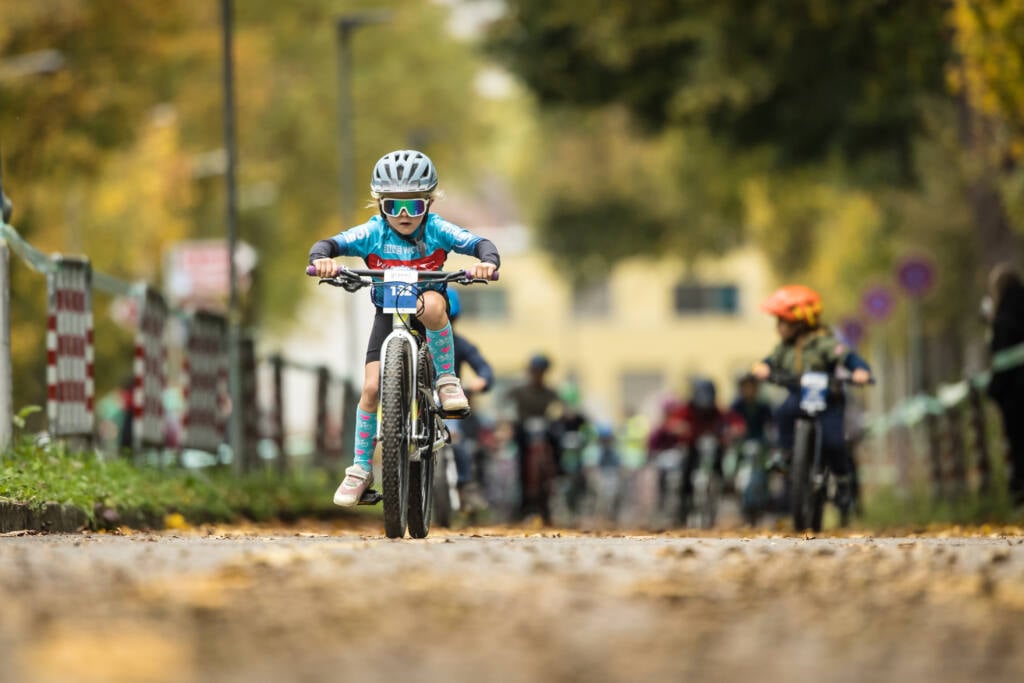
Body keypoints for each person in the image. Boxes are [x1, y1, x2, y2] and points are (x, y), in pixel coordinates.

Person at [308, 149, 500, 506]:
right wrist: (322, 260)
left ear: (429, 203)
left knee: (434, 304)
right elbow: (332, 244)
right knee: (369, 388)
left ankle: (445, 381)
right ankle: (361, 468)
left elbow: (478, 244)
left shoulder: (438, 229)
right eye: (394, 206)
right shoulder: (372, 233)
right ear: (379, 204)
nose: (404, 215)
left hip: (426, 307)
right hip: (387, 313)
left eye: (414, 206)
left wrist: (486, 263)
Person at [751, 285, 872, 509]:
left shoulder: (825, 342)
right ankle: (786, 454)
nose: (778, 327)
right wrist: (763, 367)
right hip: (799, 396)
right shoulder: (784, 348)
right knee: (783, 412)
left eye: (782, 322)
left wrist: (860, 370)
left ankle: (844, 483)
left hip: (828, 399)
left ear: (800, 321)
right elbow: (770, 361)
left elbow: (847, 357)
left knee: (834, 442)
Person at [445, 287, 493, 513]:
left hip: (447, 406)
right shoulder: (412, 342)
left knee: (456, 438)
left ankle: (465, 484)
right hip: (417, 404)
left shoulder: (460, 344)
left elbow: (483, 368)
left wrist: (481, 380)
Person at [506, 353, 562, 522]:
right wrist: (508, 419)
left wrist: (561, 415)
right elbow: (505, 403)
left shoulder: (550, 392)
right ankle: (523, 505)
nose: (538, 374)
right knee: (522, 457)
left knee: (557, 438)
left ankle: (558, 471)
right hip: (524, 429)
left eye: (541, 371)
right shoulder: (519, 391)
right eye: (535, 371)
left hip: (544, 430)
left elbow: (560, 407)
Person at [986, 263, 1024, 506]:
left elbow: (1000, 360)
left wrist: (994, 390)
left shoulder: (1002, 319)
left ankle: (1019, 489)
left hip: (1015, 392)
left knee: (1018, 440)